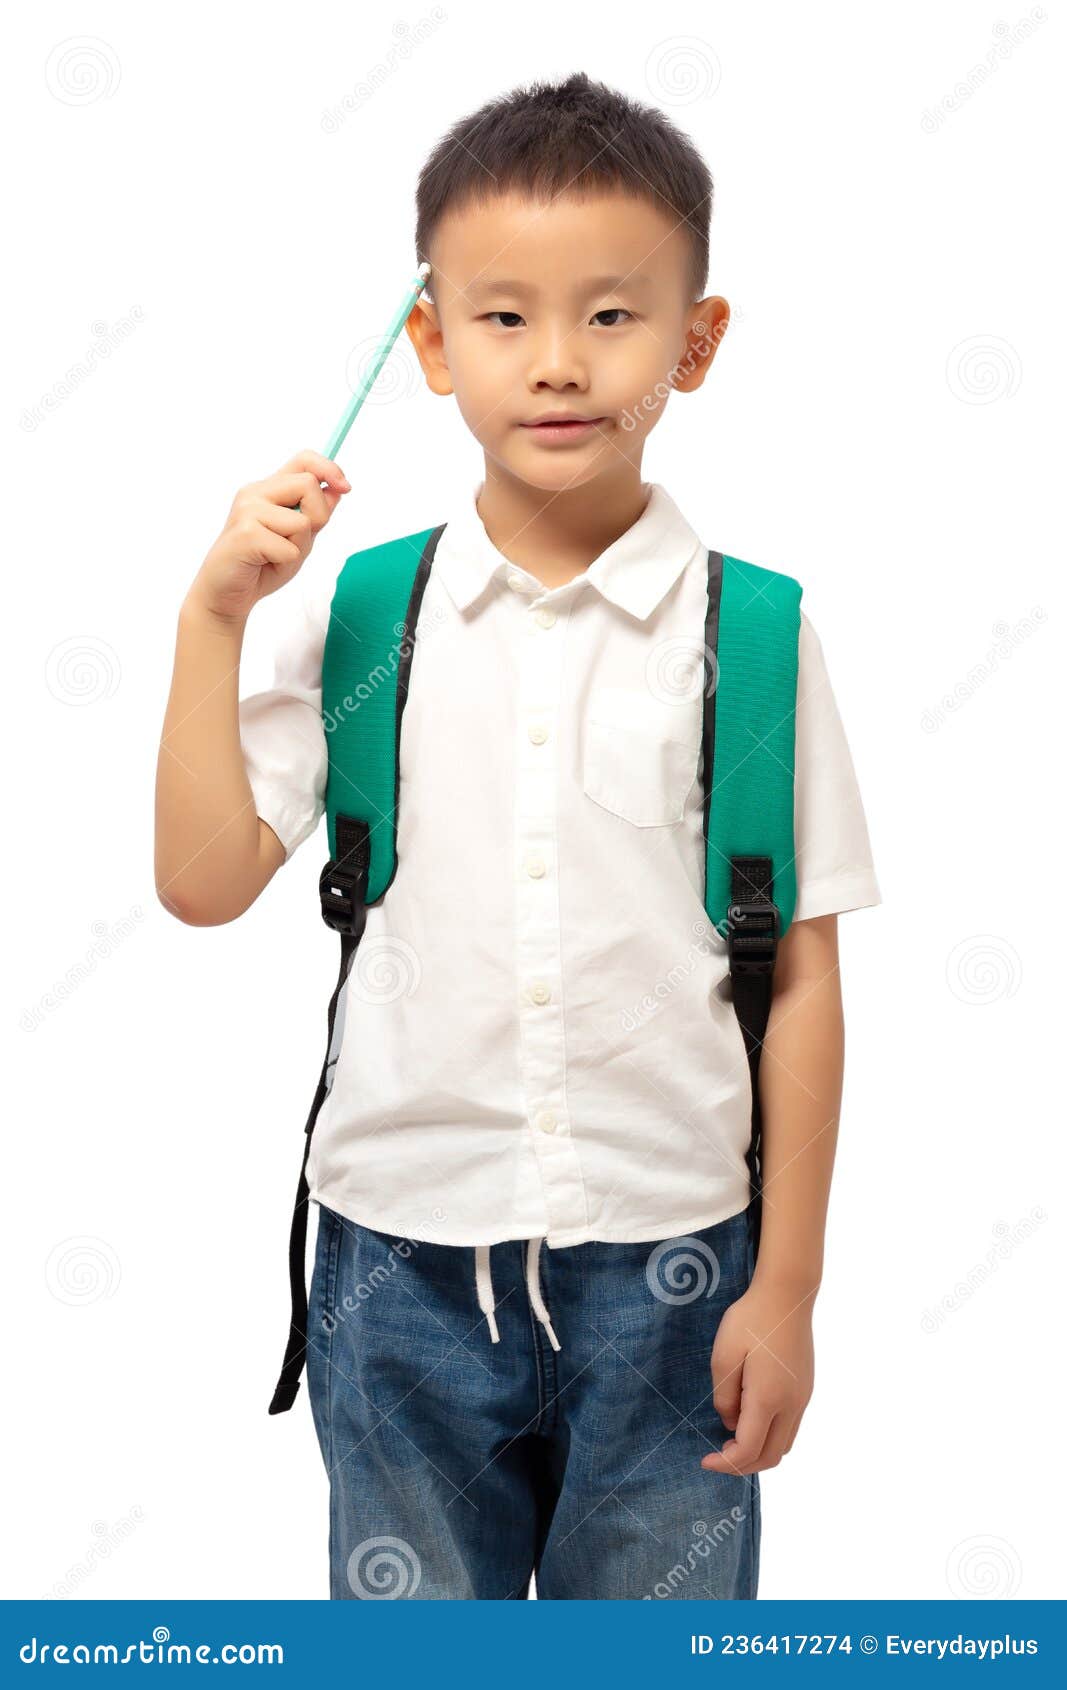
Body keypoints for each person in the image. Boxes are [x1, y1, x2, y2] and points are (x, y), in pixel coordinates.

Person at [155, 71, 880, 1601]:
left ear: (698, 341)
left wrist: (791, 1285)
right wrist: (212, 621)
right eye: (501, 318)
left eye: (611, 317)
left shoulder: (754, 634)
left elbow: (800, 980)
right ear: (427, 343)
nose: (557, 364)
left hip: (678, 1274)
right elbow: (204, 881)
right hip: (397, 1268)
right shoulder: (365, 615)